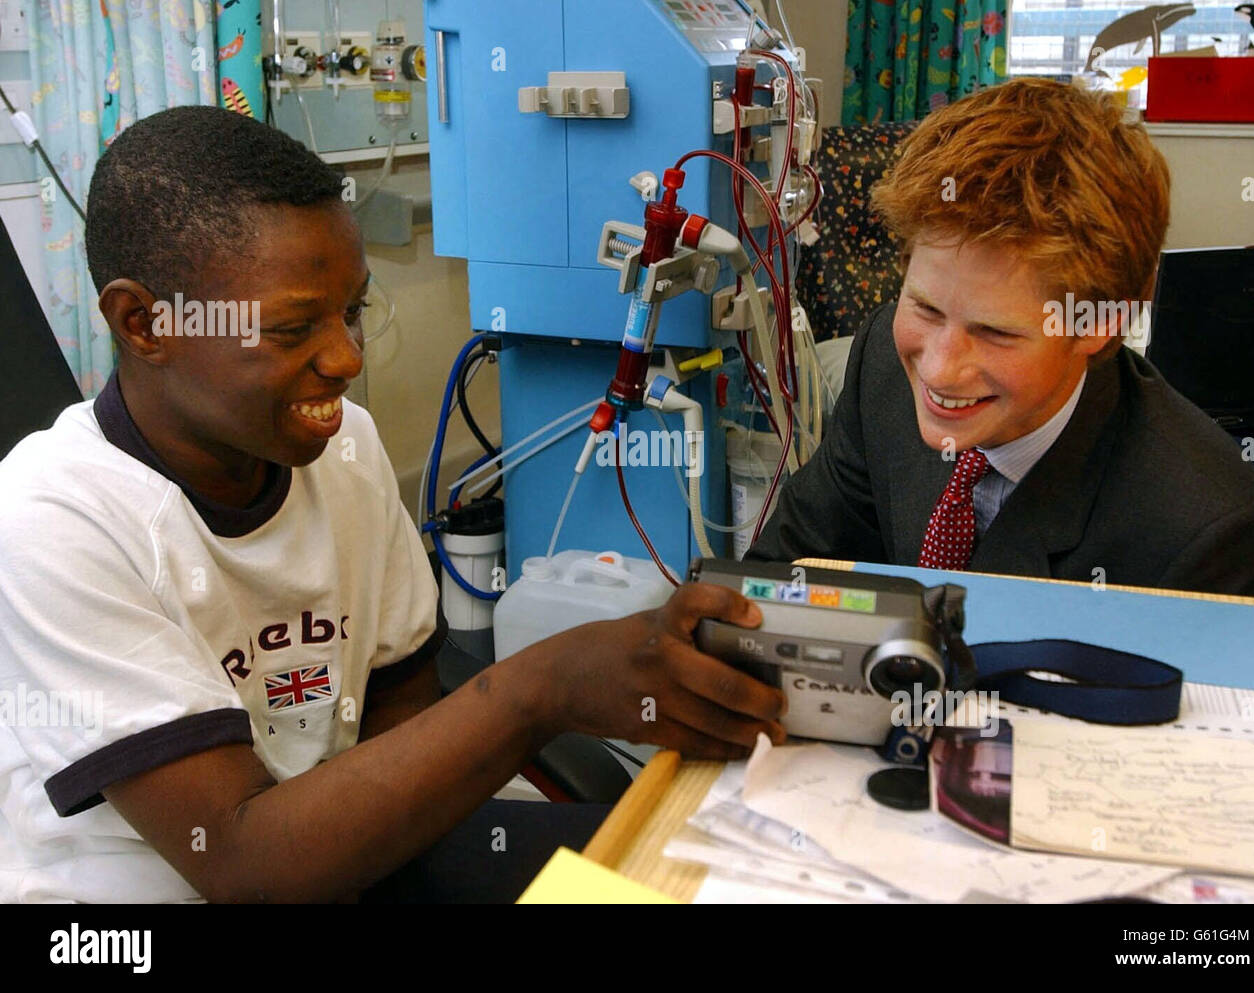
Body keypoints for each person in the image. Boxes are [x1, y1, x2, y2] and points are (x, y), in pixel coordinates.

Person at [0, 106, 786, 904]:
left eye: (352, 311)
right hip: (152, 901)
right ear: (146, 324)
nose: (346, 358)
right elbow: (239, 860)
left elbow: (400, 717)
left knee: (696, 872)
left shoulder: (344, 447)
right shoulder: (52, 519)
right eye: (293, 328)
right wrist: (542, 686)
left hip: (342, 859)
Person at [748, 78, 1254, 599]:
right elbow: (781, 578)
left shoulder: (1212, 536)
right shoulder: (883, 368)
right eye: (926, 308)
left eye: (995, 332)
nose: (938, 370)